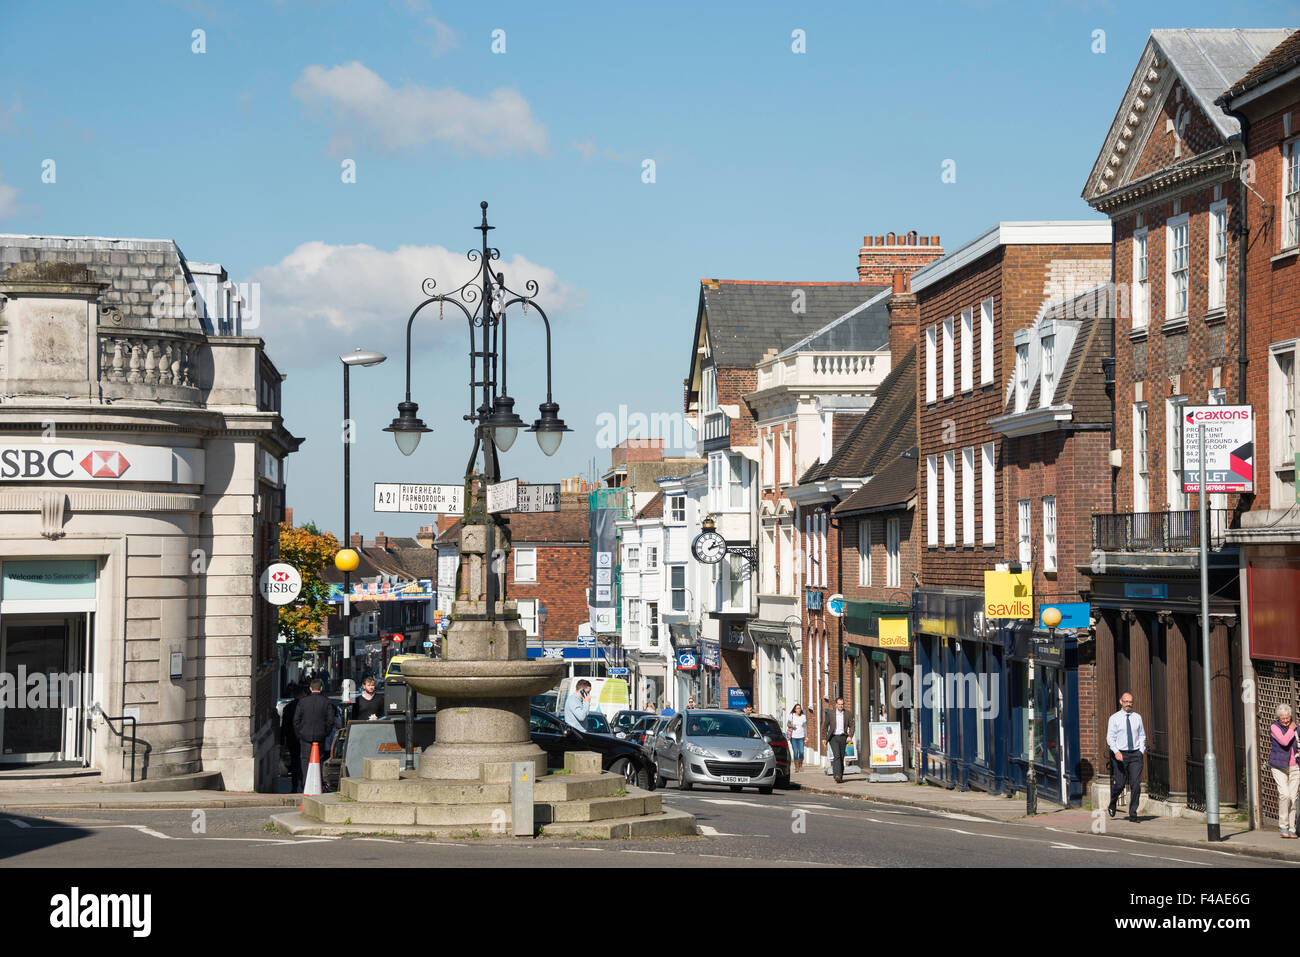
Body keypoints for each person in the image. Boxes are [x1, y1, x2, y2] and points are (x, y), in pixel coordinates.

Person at [1106, 691, 1147, 822]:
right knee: (1120, 784)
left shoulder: (1137, 717)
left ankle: (1133, 814)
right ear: (1121, 702)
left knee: (1136, 785)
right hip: (1120, 754)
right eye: (1126, 702)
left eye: (1130, 702)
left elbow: (1142, 735)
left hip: (1135, 754)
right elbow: (1110, 738)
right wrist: (1116, 752)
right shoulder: (1114, 718)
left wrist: (1141, 751)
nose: (1128, 704)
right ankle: (1113, 802)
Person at [293, 678, 338, 791]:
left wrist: (300, 734)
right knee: (320, 760)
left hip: (305, 736)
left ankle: (305, 784)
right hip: (320, 735)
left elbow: (296, 720)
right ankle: (318, 785)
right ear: (321, 688)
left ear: (310, 688)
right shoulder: (326, 702)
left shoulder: (302, 702)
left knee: (305, 760)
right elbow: (330, 720)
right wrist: (326, 732)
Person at [1269, 703, 1300, 838]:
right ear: (1278, 718)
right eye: (1283, 719)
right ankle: (1283, 826)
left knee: (1293, 798)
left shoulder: (1297, 728)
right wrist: (1291, 729)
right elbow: (1284, 741)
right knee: (1285, 795)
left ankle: (1292, 828)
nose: (1286, 721)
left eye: (1288, 718)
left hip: (1295, 766)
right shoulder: (1274, 727)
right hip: (1278, 766)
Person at [823, 696, 853, 783]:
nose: (840, 706)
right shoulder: (831, 713)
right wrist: (824, 737)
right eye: (839, 704)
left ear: (844, 705)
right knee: (837, 756)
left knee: (841, 757)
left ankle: (840, 775)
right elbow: (825, 726)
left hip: (843, 737)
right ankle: (837, 775)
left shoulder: (847, 714)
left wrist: (850, 736)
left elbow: (852, 726)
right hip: (833, 737)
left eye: (842, 704)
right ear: (836, 704)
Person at [281, 683, 304, 792]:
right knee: (304, 761)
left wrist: (281, 740)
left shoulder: (288, 707)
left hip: (291, 739)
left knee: (295, 761)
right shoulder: (305, 706)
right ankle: (304, 783)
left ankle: (294, 785)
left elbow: (284, 725)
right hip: (304, 738)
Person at [787, 703, 807, 773]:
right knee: (796, 752)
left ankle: (800, 765)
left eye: (799, 708)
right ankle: (796, 767)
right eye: (797, 708)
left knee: (801, 752)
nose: (799, 709)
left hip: (801, 736)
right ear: (795, 710)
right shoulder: (791, 715)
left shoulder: (803, 716)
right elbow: (788, 724)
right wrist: (791, 725)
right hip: (793, 737)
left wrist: (806, 736)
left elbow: (805, 727)